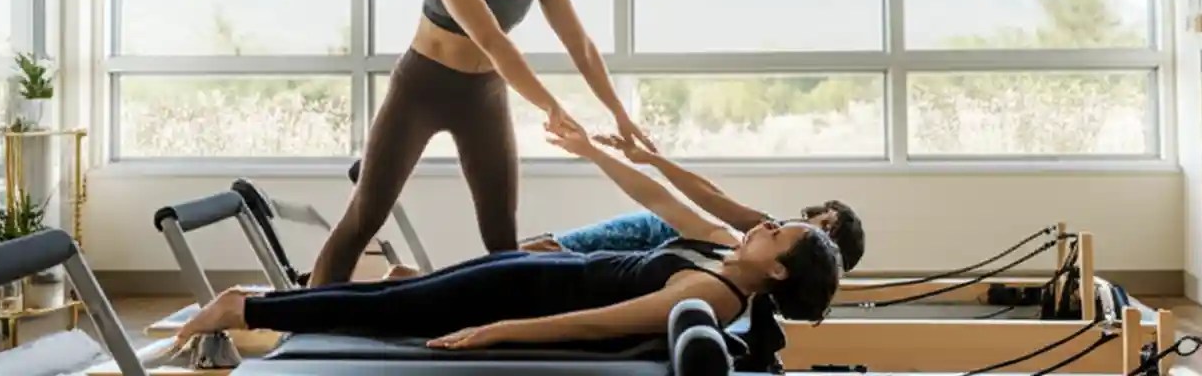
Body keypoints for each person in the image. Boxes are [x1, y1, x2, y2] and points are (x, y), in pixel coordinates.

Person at [309, 0, 654, 287]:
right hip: (421, 89)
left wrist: (620, 115)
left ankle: (505, 337)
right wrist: (550, 106)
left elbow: (582, 48)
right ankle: (300, 322)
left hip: (482, 97)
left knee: (502, 234)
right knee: (364, 217)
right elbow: (492, 42)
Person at [175, 130, 841, 352]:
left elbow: (592, 323)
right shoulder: (721, 249)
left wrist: (499, 331)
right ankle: (248, 306)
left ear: (778, 272)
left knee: (389, 313)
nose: (766, 222)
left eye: (778, 233)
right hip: (527, 271)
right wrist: (589, 150)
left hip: (522, 289)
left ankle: (249, 306)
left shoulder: (712, 293)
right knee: (389, 310)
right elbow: (658, 199)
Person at [382, 136, 864, 280]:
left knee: (543, 252)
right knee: (540, 249)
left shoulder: (770, 252)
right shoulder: (764, 231)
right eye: (814, 218)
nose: (803, 223)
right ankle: (429, 280)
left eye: (820, 226)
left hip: (664, 243)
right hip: (663, 232)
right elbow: (702, 195)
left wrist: (642, 159)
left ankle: (425, 280)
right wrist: (648, 158)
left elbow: (701, 198)